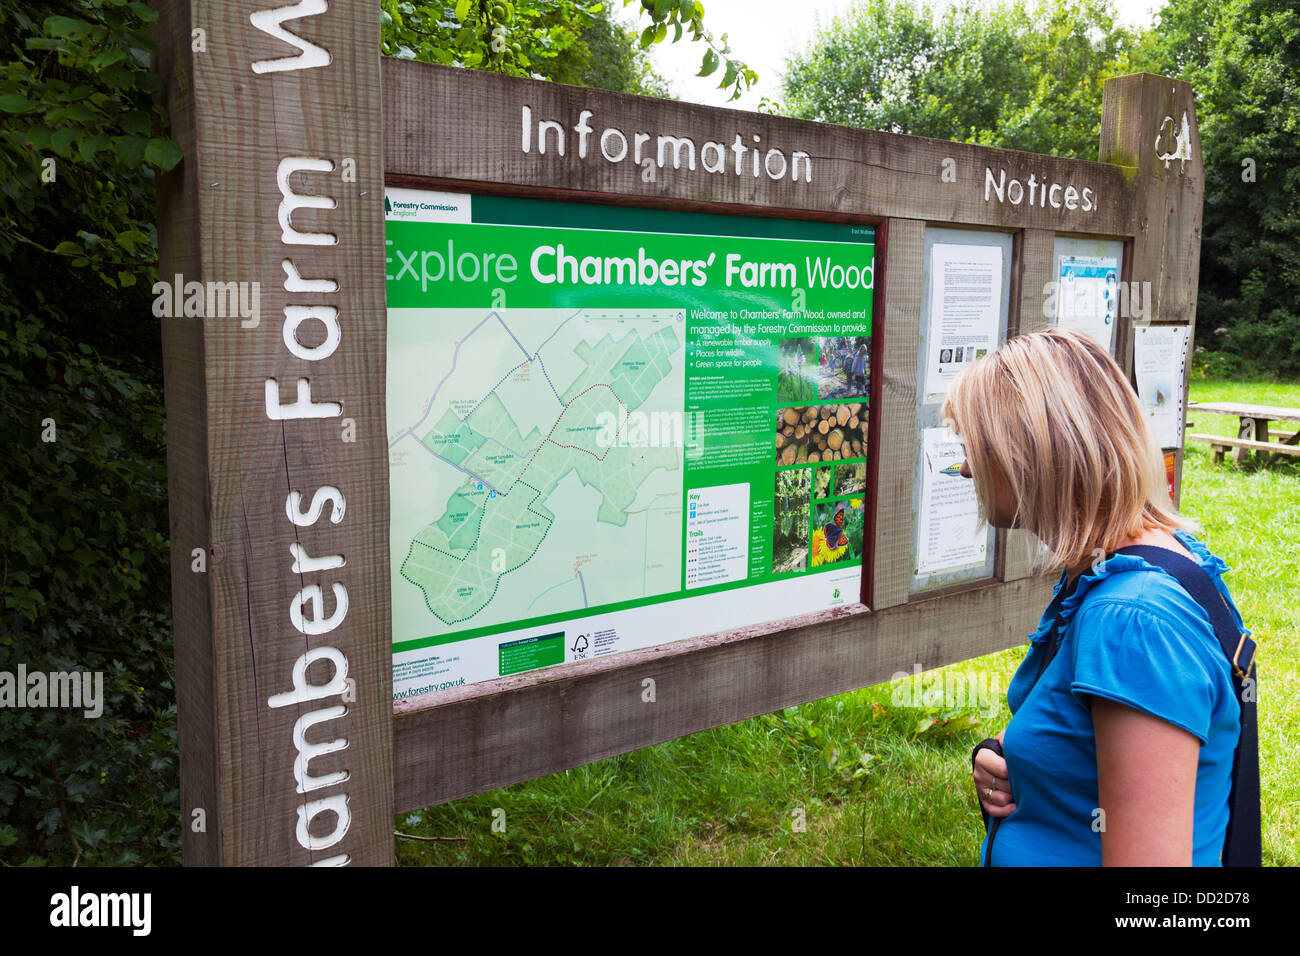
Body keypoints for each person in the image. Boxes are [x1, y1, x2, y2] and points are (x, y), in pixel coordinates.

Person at [944, 327, 1246, 866]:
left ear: (1029, 454)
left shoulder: (1132, 621)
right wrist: (1021, 756)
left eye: (974, 448)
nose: (966, 468)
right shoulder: (1150, 558)